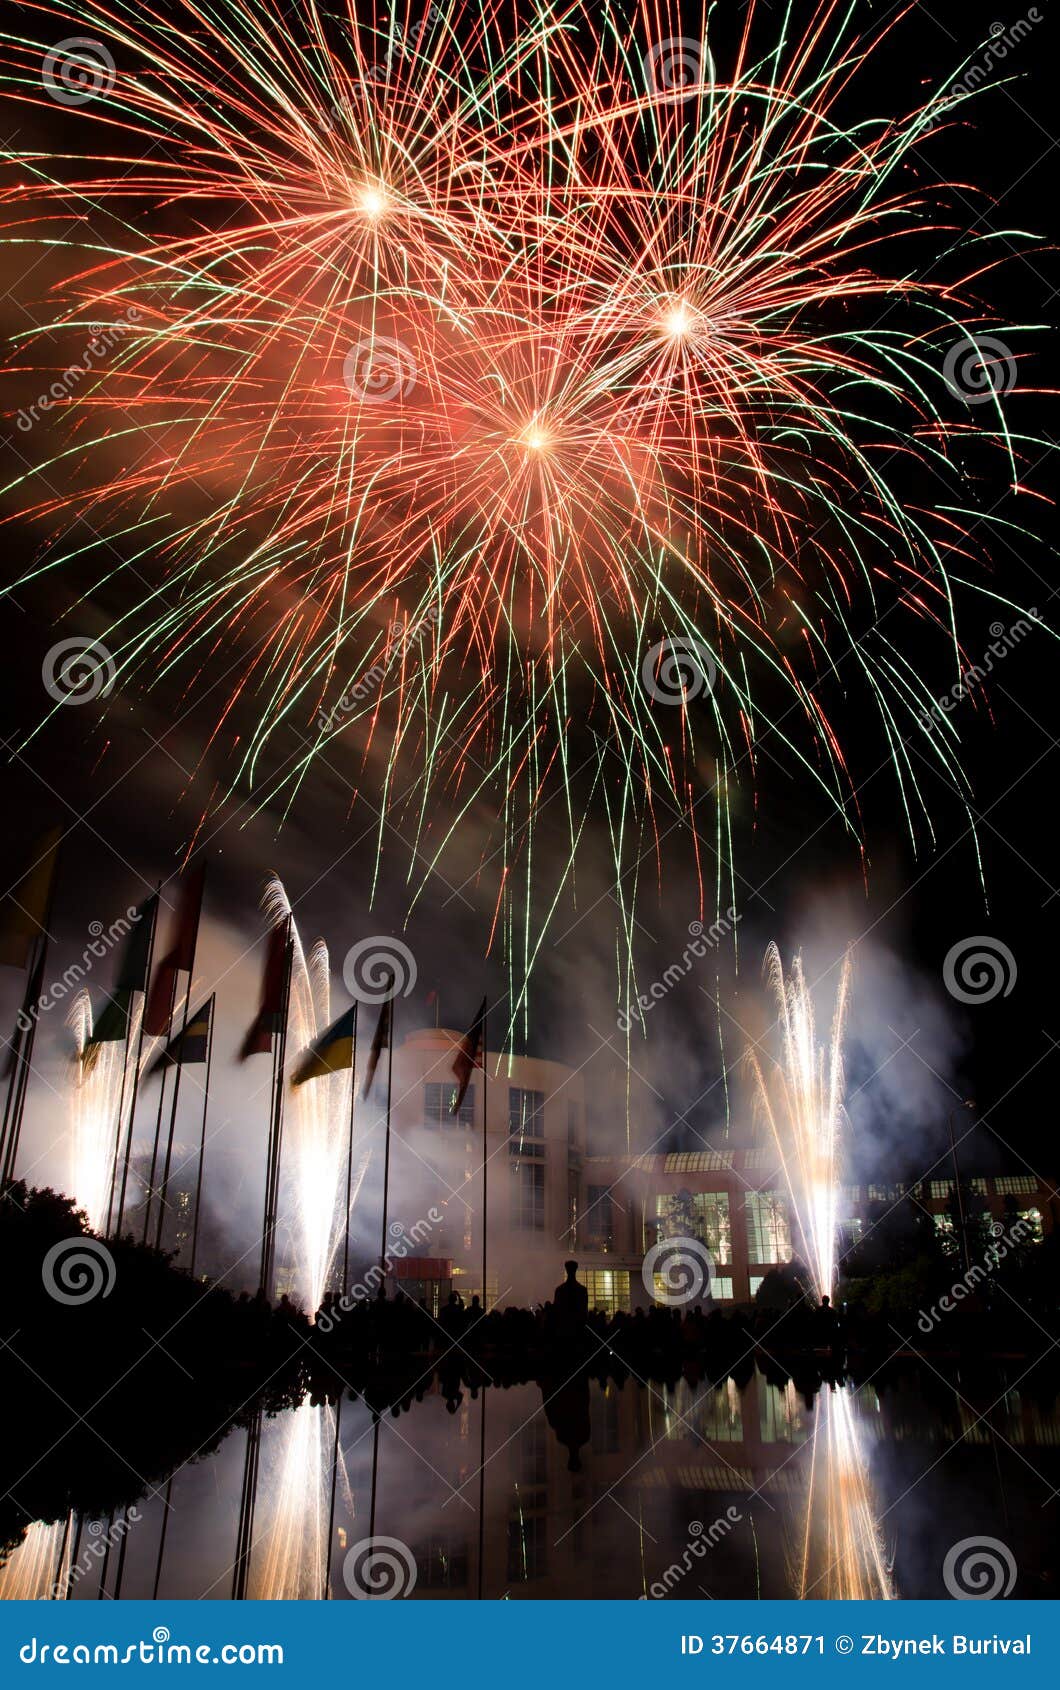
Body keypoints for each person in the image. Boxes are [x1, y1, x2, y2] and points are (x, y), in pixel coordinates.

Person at [551, 1259, 589, 1343]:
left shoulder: (560, 1290)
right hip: (578, 1331)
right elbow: (584, 1312)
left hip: (563, 1331)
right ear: (576, 1270)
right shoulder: (582, 1290)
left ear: (566, 1270)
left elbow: (556, 1312)